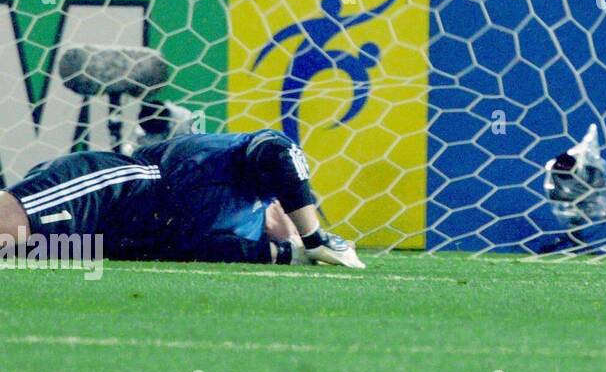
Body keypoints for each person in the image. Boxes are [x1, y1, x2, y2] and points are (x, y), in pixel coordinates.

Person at [0, 130, 364, 268]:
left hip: (99, 244)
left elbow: (198, 248)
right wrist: (314, 238)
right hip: (114, 189)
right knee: (8, 223)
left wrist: (291, 251)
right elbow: (281, 151)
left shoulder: (245, 236)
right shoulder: (250, 168)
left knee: (8, 248)